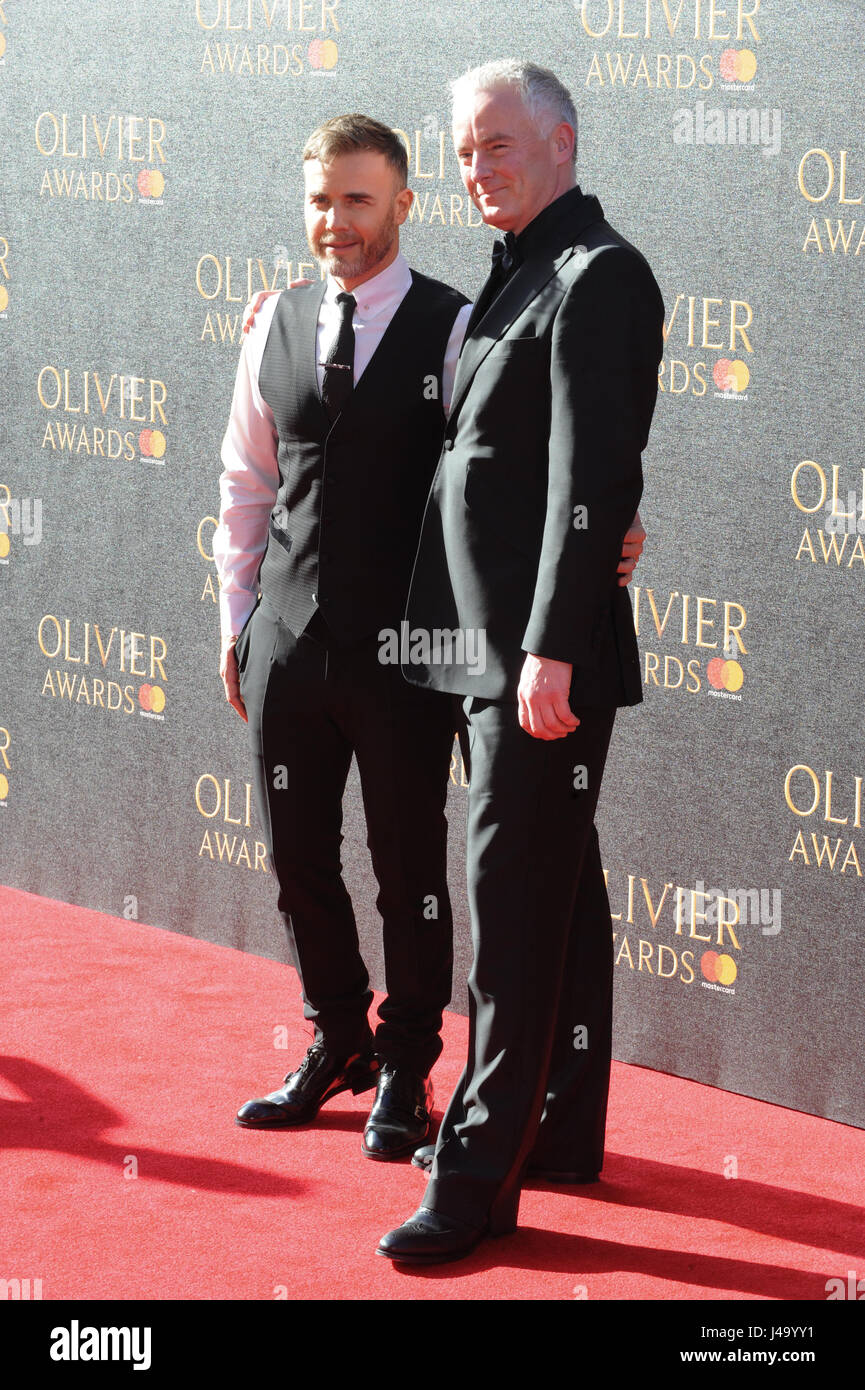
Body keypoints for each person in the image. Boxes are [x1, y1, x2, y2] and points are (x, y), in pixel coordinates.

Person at [215, 114, 646, 1166]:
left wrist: (612, 531)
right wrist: (235, 625)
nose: (337, 222)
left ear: (402, 207)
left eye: (358, 200)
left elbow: (528, 452)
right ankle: (337, 1038)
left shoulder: (458, 326)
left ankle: (409, 1064)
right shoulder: (272, 321)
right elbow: (246, 485)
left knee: (408, 867)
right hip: (285, 637)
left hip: (409, 649)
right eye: (321, 200)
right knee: (296, 859)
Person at [378, 61, 664, 1262]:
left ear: (561, 141)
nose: (476, 169)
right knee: (561, 894)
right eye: (462, 153)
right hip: (477, 645)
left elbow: (593, 478)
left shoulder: (600, 275)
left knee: (510, 904)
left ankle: (476, 1179)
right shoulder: (512, 277)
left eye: (498, 145)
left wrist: (551, 643)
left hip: (531, 657)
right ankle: (559, 1128)